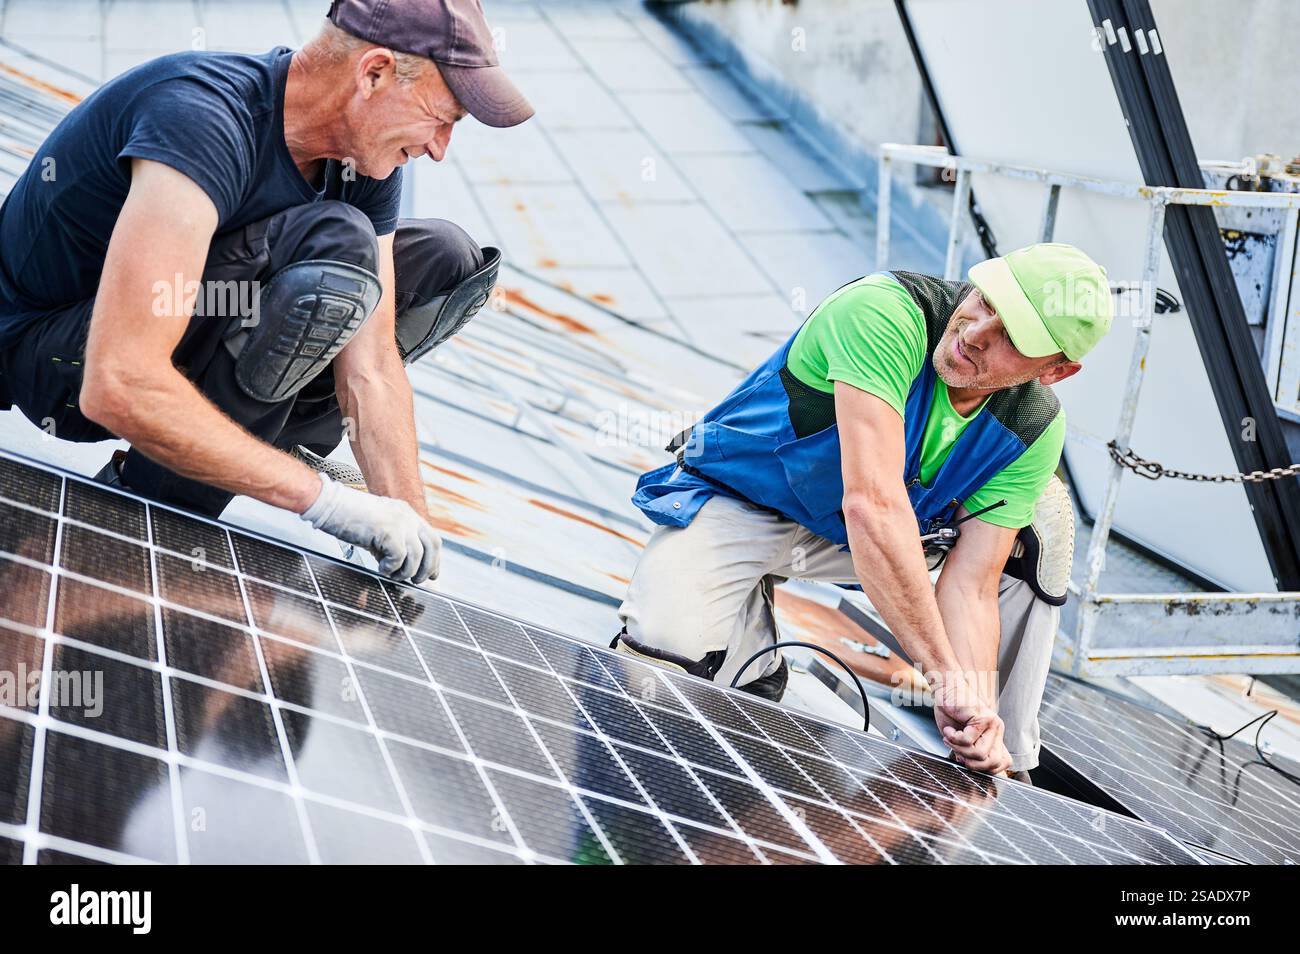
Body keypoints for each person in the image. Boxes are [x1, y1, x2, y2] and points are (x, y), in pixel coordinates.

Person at [0, 0, 531, 584]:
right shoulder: (202, 118)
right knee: (337, 247)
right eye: (442, 117)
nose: (440, 147)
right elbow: (117, 381)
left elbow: (372, 366)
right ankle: (149, 509)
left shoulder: (361, 160)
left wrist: (409, 531)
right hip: (56, 359)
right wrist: (324, 501)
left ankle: (253, 440)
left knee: (442, 257)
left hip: (183, 346)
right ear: (373, 72)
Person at [614, 244, 1111, 777]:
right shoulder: (885, 313)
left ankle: (997, 756)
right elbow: (872, 505)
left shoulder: (1033, 426)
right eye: (985, 300)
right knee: (660, 647)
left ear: (1057, 371)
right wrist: (945, 675)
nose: (975, 333)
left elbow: (971, 586)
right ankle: (749, 647)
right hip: (747, 500)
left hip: (862, 545)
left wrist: (970, 701)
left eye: (1012, 337)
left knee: (1037, 531)